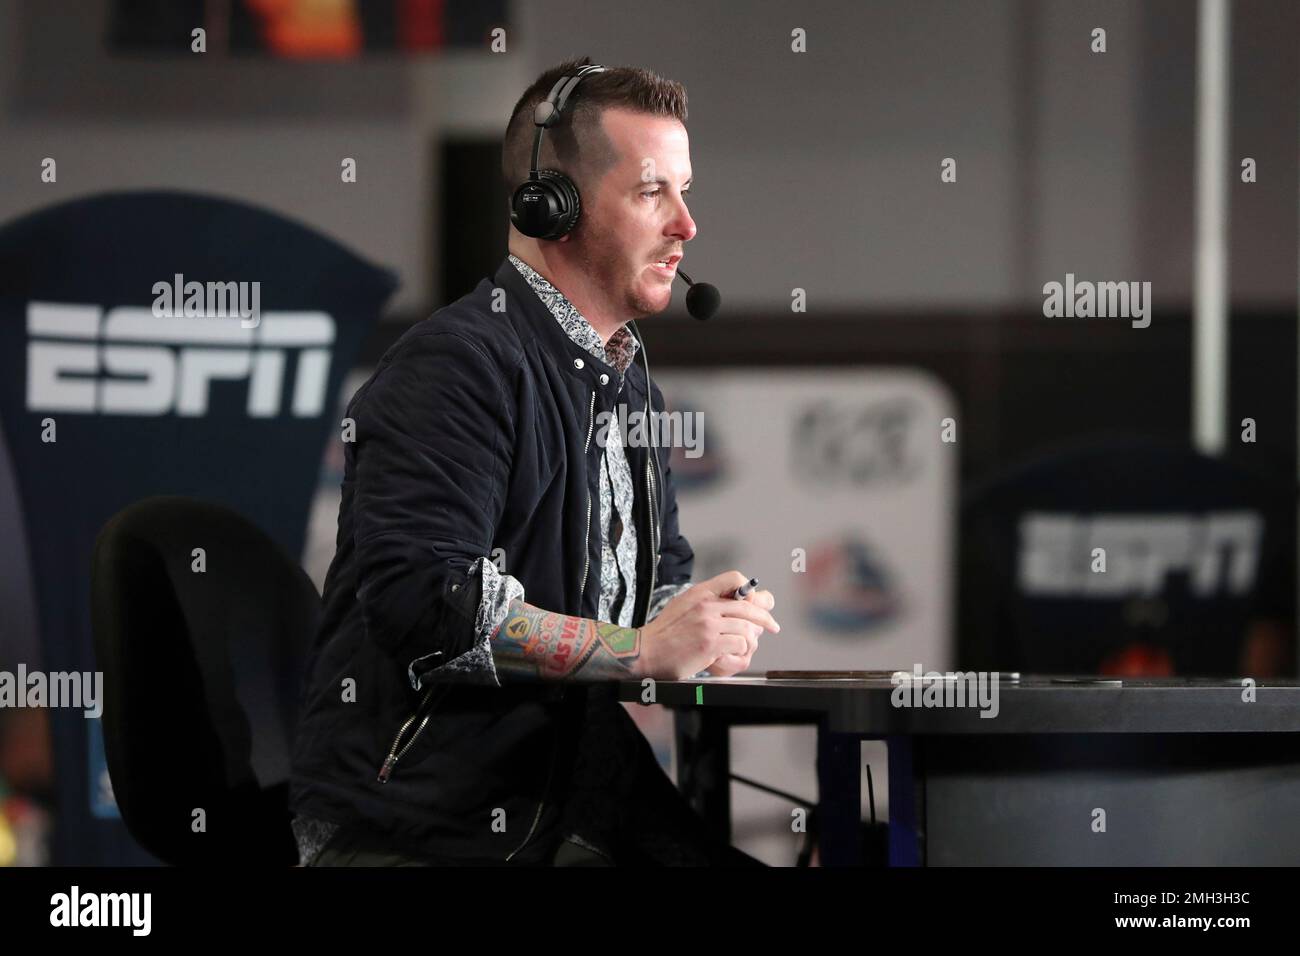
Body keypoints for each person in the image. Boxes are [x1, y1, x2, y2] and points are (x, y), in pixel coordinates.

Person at [289, 56, 779, 867]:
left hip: (560, 804)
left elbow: (655, 577)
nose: (687, 225)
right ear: (551, 208)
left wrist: (703, 622)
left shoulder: (626, 387)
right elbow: (428, 605)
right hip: (420, 829)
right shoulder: (456, 365)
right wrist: (644, 651)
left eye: (686, 191)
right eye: (653, 191)